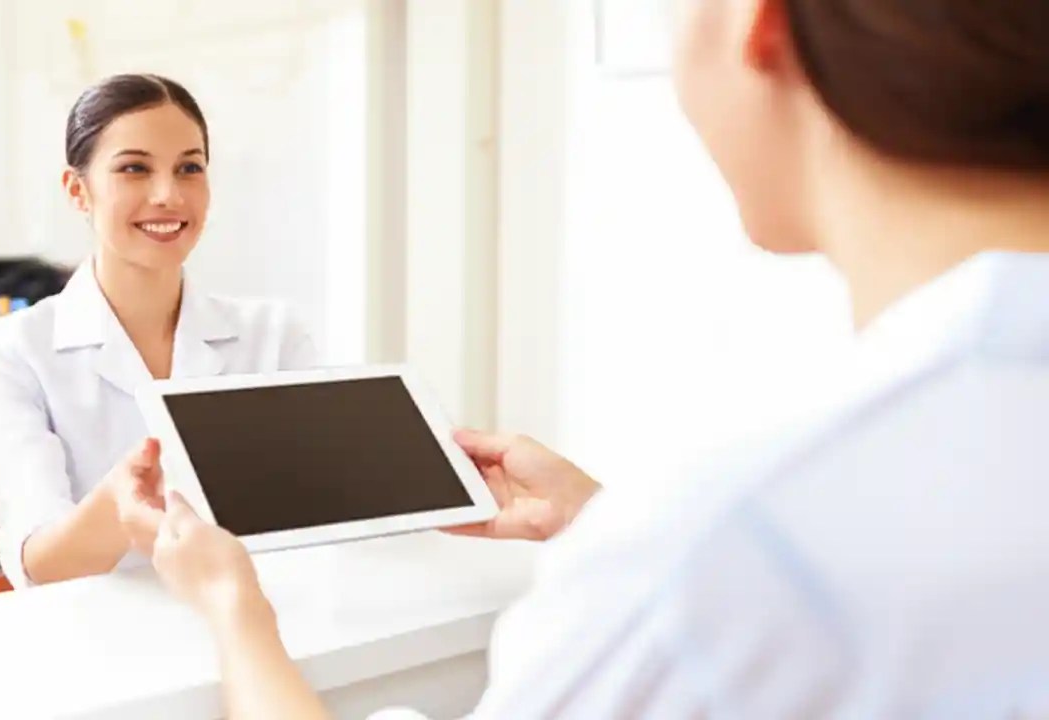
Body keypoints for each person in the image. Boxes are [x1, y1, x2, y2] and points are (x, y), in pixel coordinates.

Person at [147, 0, 1049, 716]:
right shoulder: (732, 550)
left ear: (759, 20)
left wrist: (236, 615)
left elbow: (745, 590)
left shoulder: (713, 554)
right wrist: (606, 524)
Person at [0, 74, 316, 589]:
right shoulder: (11, 355)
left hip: (260, 624)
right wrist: (122, 502)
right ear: (77, 190)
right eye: (134, 168)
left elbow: (321, 513)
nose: (168, 195)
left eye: (189, 168)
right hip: (106, 645)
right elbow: (41, 564)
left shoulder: (274, 334)